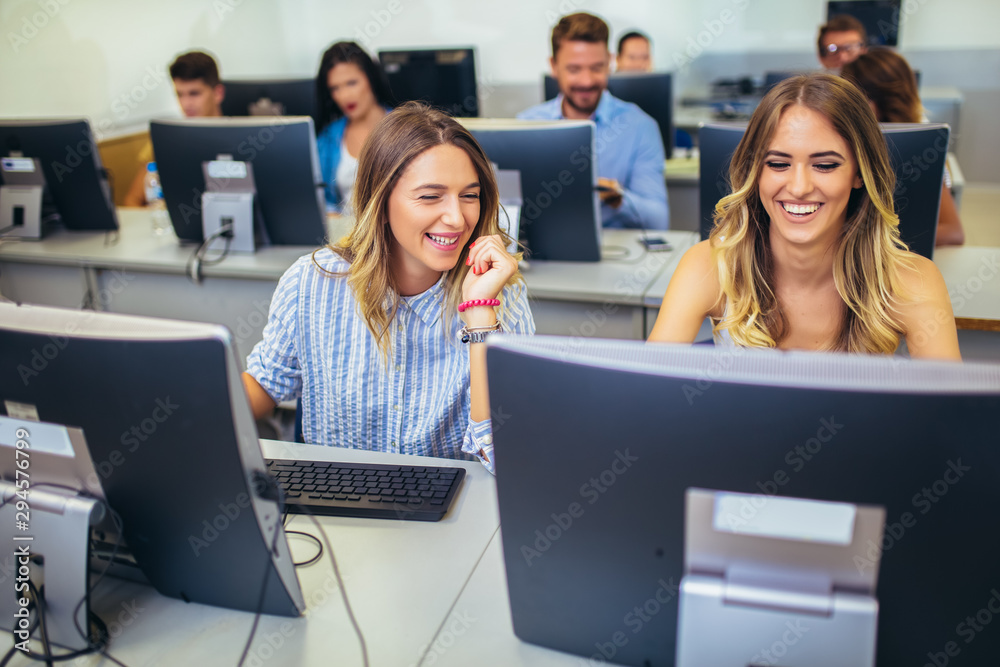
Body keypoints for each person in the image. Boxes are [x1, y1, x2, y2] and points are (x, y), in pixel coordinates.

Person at [243, 102, 535, 473]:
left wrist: (480, 315)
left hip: (453, 520)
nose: (457, 218)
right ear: (380, 201)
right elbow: (265, 385)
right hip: (336, 513)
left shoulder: (498, 294)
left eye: (469, 195)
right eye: (431, 196)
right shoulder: (311, 283)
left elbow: (505, 458)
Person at [648, 73, 960, 361]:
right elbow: (646, 395)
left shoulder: (911, 281)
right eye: (778, 164)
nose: (799, 188)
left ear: (859, 173)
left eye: (825, 165)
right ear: (755, 172)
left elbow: (950, 414)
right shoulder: (710, 266)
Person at [519, 13, 669, 230]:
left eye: (597, 67)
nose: (587, 81)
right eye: (574, 69)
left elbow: (659, 221)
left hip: (616, 256)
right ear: (553, 66)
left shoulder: (640, 126)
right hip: (541, 255)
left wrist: (619, 199)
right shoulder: (526, 125)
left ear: (609, 62)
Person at [841, 48, 965, 246]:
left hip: (893, 259)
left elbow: (953, 232)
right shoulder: (840, 144)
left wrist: (875, 242)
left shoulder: (921, 148)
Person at [123, 51, 225, 207]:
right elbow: (132, 200)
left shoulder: (241, 139)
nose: (186, 104)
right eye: (179, 94)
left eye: (194, 93)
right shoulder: (165, 139)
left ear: (218, 93)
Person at [314, 41, 396, 214]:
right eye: (335, 88)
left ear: (370, 78)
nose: (344, 96)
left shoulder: (405, 128)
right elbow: (323, 199)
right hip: (346, 235)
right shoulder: (327, 138)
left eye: (351, 83)